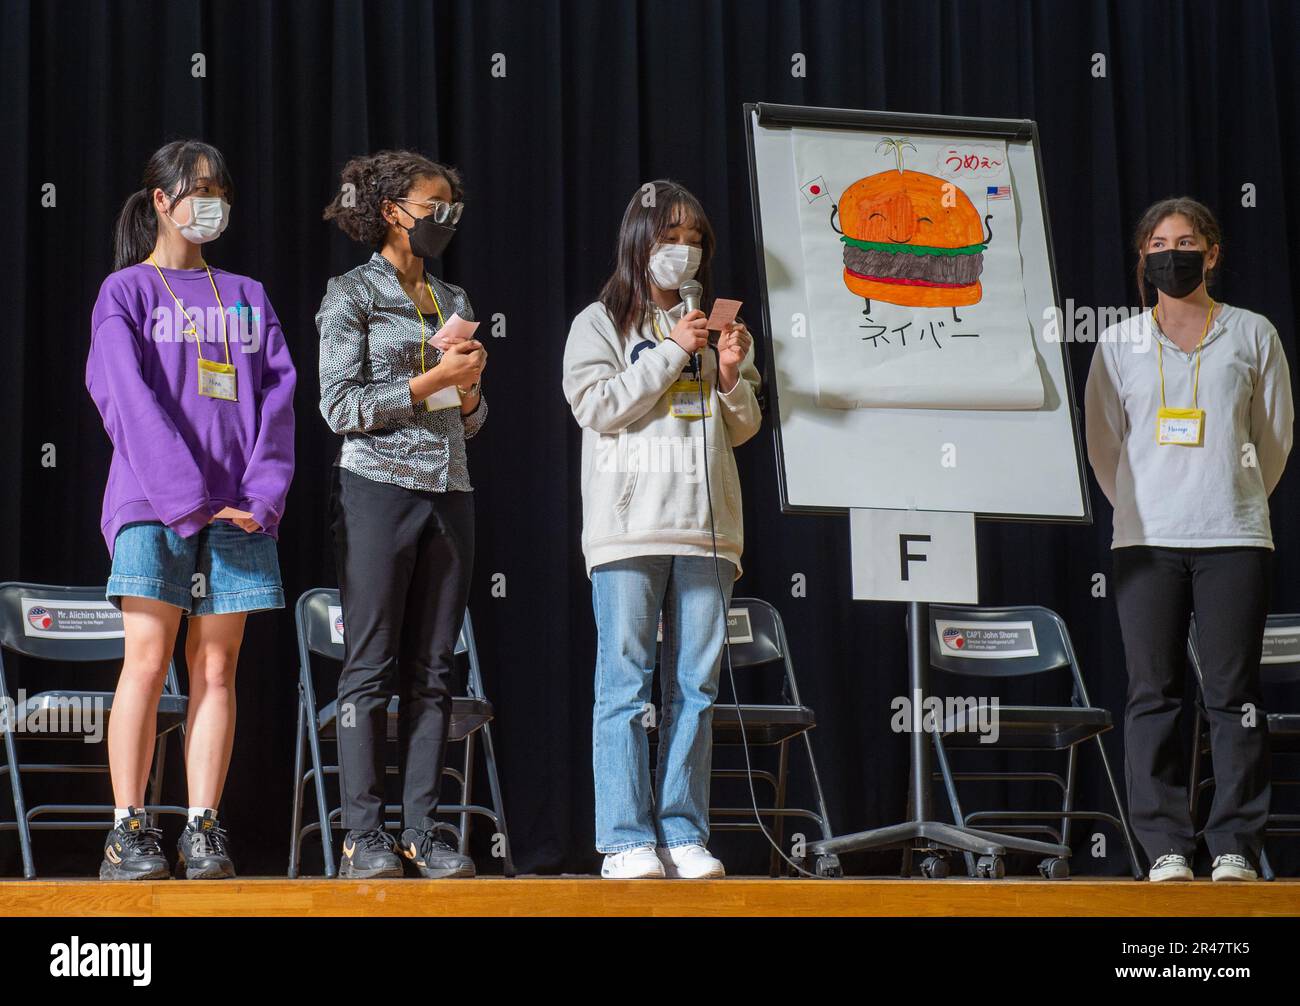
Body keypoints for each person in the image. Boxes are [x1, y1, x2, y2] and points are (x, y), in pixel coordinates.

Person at [87, 140, 297, 880]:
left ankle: (203, 826)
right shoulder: (126, 293)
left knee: (215, 668)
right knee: (147, 663)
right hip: (153, 506)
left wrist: (261, 496)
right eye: (198, 189)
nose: (213, 202)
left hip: (239, 512)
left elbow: (278, 396)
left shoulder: (246, 293)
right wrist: (186, 499)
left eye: (221, 190)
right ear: (162, 202)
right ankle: (128, 827)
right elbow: (126, 402)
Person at [1085, 197, 1293, 882]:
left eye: (1186, 241)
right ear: (1143, 259)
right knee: (1153, 694)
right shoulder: (1117, 343)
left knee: (1234, 695)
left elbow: (1274, 437)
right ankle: (1165, 846)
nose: (1171, 253)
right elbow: (1104, 445)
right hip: (1146, 541)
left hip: (1234, 535)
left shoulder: (1252, 334)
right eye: (1158, 244)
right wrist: (1147, 511)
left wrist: (1229, 498)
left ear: (1212, 253)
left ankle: (1233, 842)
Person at [563, 180, 762, 879]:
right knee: (624, 683)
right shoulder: (599, 323)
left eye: (694, 239)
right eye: (671, 237)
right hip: (628, 531)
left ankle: (683, 831)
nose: (684, 251)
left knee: (697, 688)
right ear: (638, 242)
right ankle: (624, 839)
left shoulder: (711, 325)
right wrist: (674, 352)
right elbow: (598, 406)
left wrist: (732, 376)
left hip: (707, 532)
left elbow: (743, 428)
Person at [317, 150, 487, 879]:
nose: (443, 217)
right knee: (369, 667)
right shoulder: (351, 293)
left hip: (450, 488)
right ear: (392, 212)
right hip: (377, 488)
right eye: (431, 204)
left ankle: (423, 829)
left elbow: (469, 421)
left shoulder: (452, 298)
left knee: (434, 669)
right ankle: (364, 835)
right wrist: (428, 383)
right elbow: (338, 407)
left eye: (451, 204)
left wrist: (471, 393)